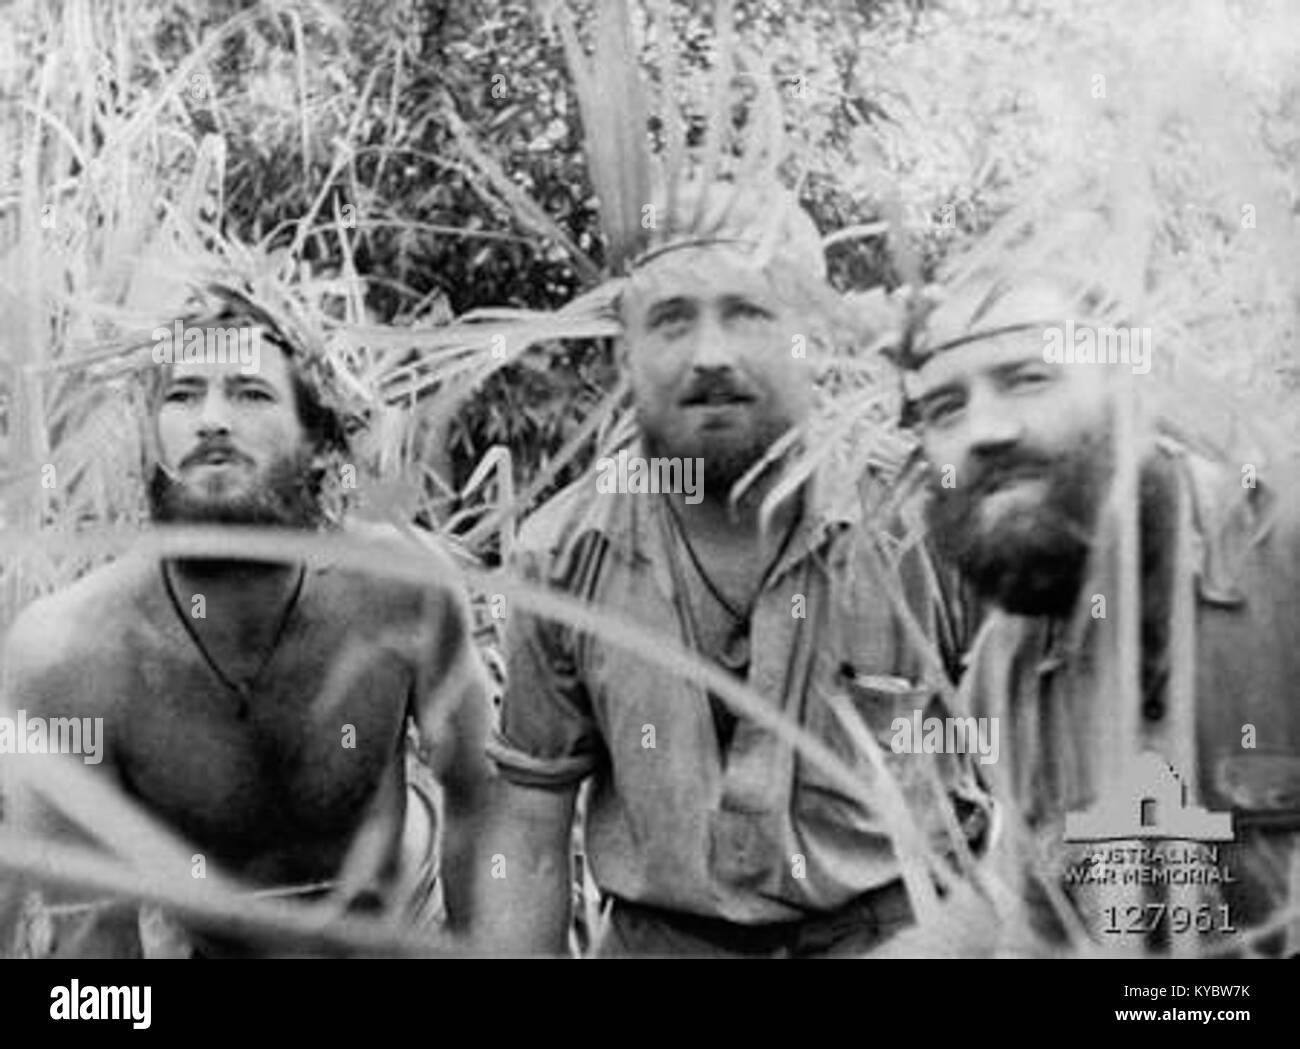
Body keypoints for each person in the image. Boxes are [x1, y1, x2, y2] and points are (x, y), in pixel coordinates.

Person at [474, 179, 991, 958]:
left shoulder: (927, 520)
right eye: (672, 321)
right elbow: (530, 825)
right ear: (627, 355)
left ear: (810, 333)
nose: (711, 355)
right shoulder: (564, 552)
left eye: (749, 313)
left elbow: (1050, 786)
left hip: (905, 933)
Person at [0, 285, 493, 957]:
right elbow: (92, 941)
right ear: (149, 442)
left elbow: (482, 808)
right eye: (182, 394)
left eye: (250, 392)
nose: (211, 420)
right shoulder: (67, 655)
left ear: (318, 441)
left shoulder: (404, 588)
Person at [899, 272, 1300, 954]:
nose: (986, 431)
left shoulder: (1286, 562)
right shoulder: (1008, 666)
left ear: (1133, 390)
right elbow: (1026, 896)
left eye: (1029, 377)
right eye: (944, 408)